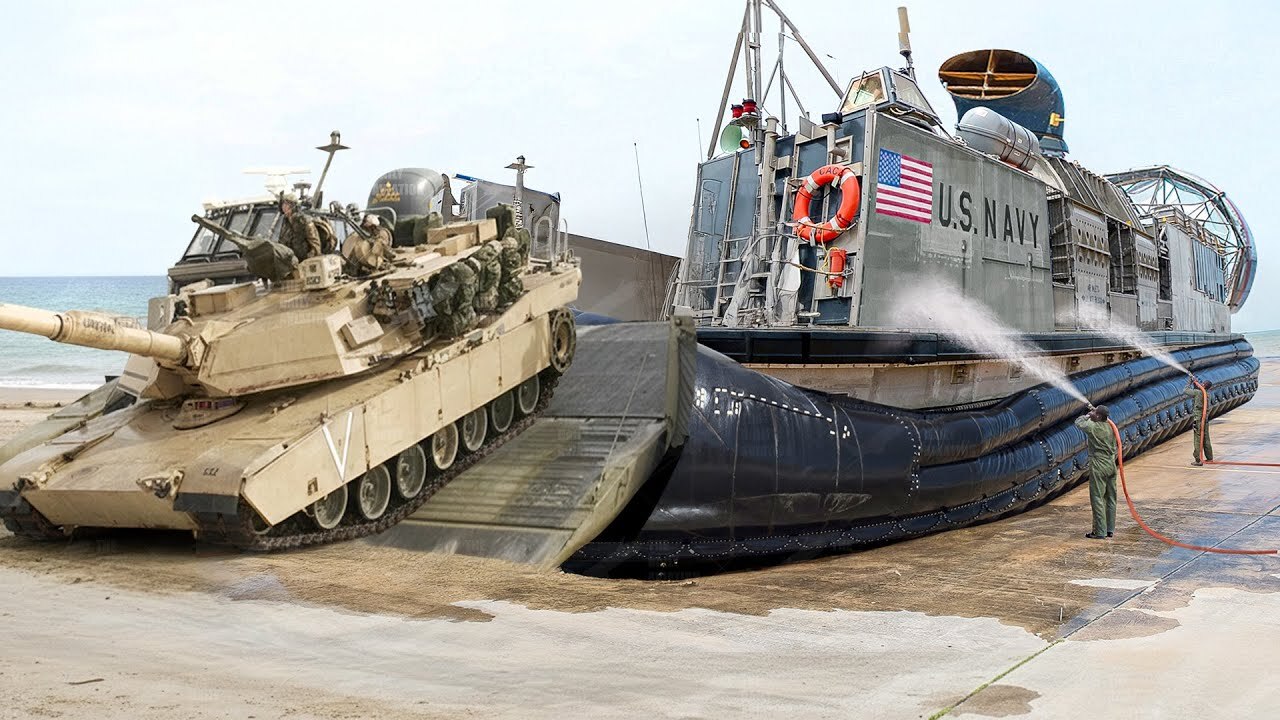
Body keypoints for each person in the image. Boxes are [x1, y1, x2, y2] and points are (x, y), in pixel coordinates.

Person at [1075, 404, 1118, 540]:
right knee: (1111, 497)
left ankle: (1099, 532)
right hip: (1111, 465)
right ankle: (1109, 529)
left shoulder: (1093, 427)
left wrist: (1087, 415)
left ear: (1098, 416)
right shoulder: (1111, 427)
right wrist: (1095, 413)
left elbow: (1078, 422)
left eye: (1094, 412)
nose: (1092, 412)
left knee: (1098, 497)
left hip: (1099, 465)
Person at [278, 192, 321, 261]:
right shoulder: (285, 222)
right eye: (283, 204)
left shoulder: (304, 221)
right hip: (287, 261)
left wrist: (308, 260)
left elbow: (315, 245)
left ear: (293, 206)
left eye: (287, 204)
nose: (284, 207)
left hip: (302, 261)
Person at [1184, 377, 1214, 466]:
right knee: (1206, 439)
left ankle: (1198, 460)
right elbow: (1199, 393)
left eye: (1202, 383)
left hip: (1198, 420)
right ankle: (1209, 458)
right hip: (1205, 420)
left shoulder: (1198, 393)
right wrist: (1195, 384)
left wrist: (1189, 382)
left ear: (1203, 385)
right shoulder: (1208, 394)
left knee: (1197, 439)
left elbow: (1186, 390)